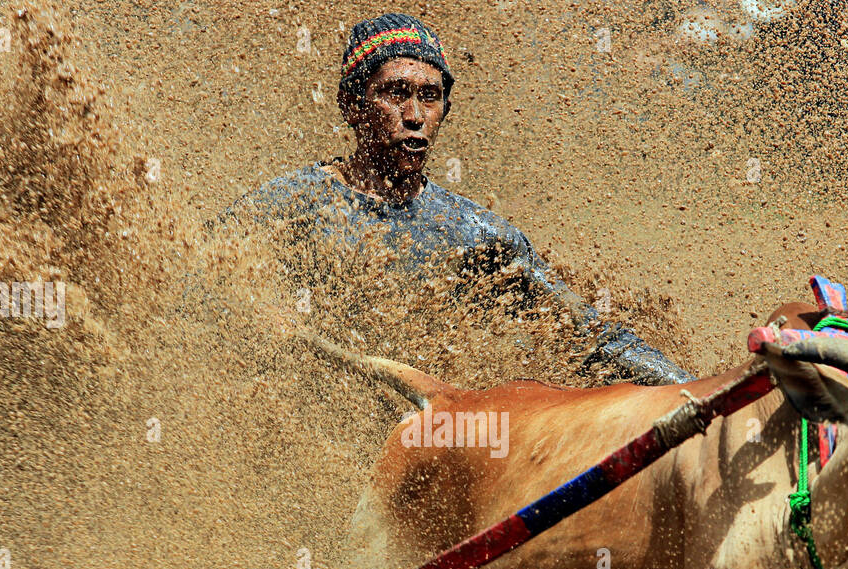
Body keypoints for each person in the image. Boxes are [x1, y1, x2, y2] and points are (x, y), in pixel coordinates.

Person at [212, 13, 694, 385]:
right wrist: (256, 313)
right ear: (352, 106)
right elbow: (196, 280)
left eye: (430, 96)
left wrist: (695, 389)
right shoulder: (292, 205)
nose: (414, 114)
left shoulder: (479, 237)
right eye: (394, 93)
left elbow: (587, 337)